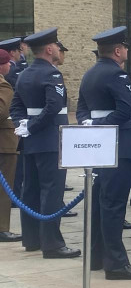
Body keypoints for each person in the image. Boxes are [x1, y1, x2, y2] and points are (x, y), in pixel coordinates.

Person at [76, 27, 131, 280]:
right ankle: (116, 263)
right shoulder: (117, 74)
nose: (126, 50)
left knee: (99, 202)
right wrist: (99, 126)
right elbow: (126, 110)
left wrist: (89, 124)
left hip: (98, 145)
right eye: (125, 47)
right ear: (117, 51)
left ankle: (96, 256)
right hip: (119, 145)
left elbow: (81, 108)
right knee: (114, 204)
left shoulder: (89, 74)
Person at [9, 28, 79, 258]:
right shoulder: (52, 74)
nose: (59, 50)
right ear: (49, 49)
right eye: (57, 46)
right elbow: (53, 108)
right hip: (50, 139)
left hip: (30, 141)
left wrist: (24, 125)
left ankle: (31, 239)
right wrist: (32, 126)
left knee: (30, 190)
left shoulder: (25, 74)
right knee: (51, 191)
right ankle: (52, 244)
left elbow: (16, 106)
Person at [0, 49, 21, 243]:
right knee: (4, 189)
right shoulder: (4, 85)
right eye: (8, 63)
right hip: (4, 143)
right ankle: (2, 228)